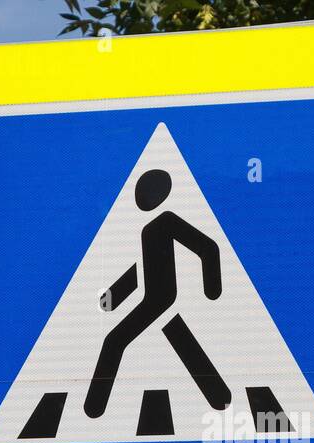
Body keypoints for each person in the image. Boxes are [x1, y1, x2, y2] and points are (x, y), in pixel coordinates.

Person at [84, 168, 230, 418]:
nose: (140, 199)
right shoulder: (148, 229)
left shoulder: (166, 221)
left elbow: (207, 248)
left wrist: (212, 289)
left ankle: (93, 408)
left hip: (161, 299)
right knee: (182, 341)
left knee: (114, 341)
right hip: (156, 299)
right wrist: (111, 298)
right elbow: (140, 270)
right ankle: (220, 397)